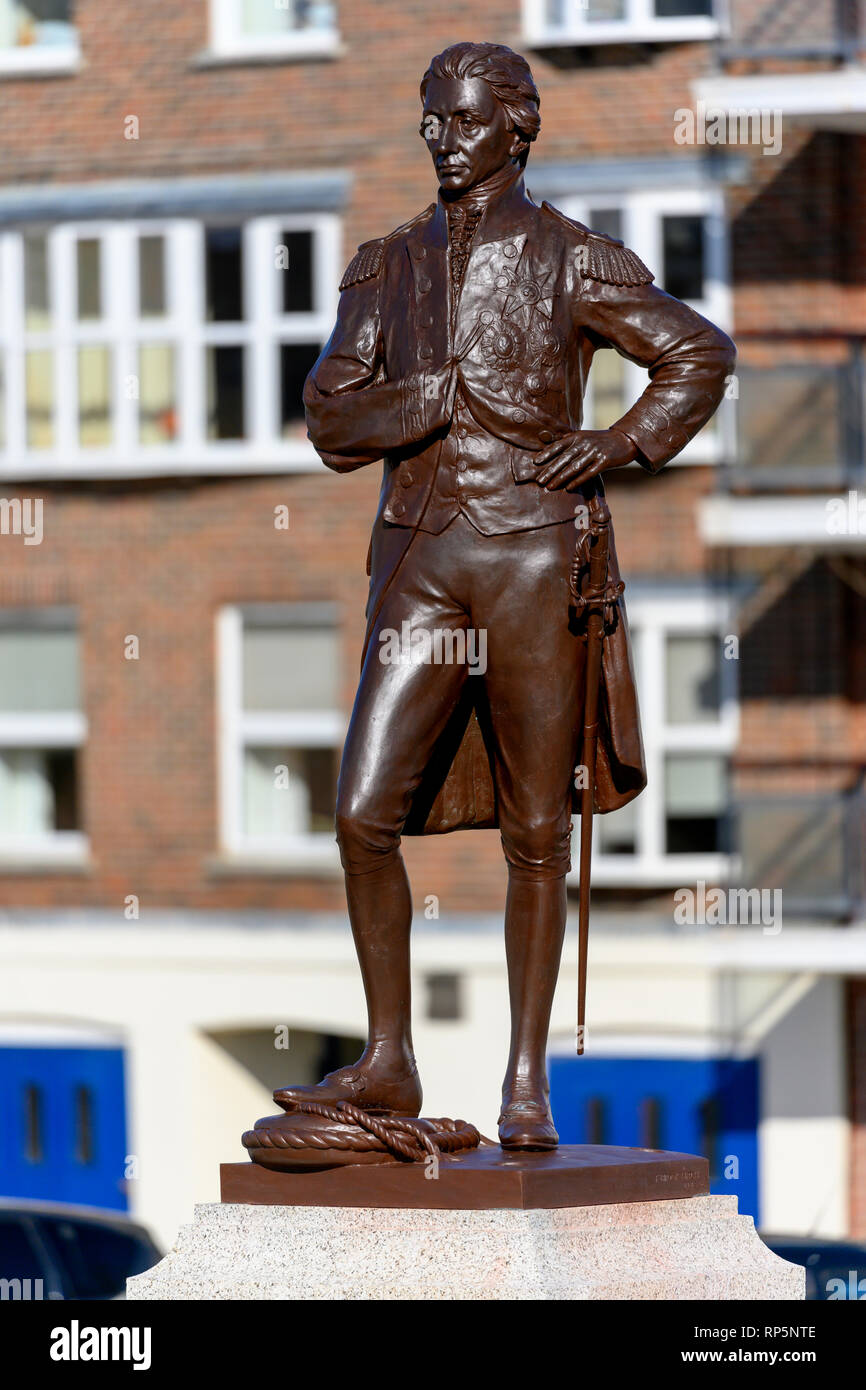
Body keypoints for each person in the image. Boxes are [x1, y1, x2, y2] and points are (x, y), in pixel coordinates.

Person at [277, 41, 735, 1149]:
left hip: (536, 556)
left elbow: (697, 355)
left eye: (465, 120)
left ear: (517, 127)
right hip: (423, 560)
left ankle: (524, 1080)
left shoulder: (575, 258)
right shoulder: (385, 266)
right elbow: (332, 419)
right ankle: (387, 1060)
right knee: (359, 811)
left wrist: (619, 443)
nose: (442, 138)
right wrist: (421, 400)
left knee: (538, 830)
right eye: (429, 119)